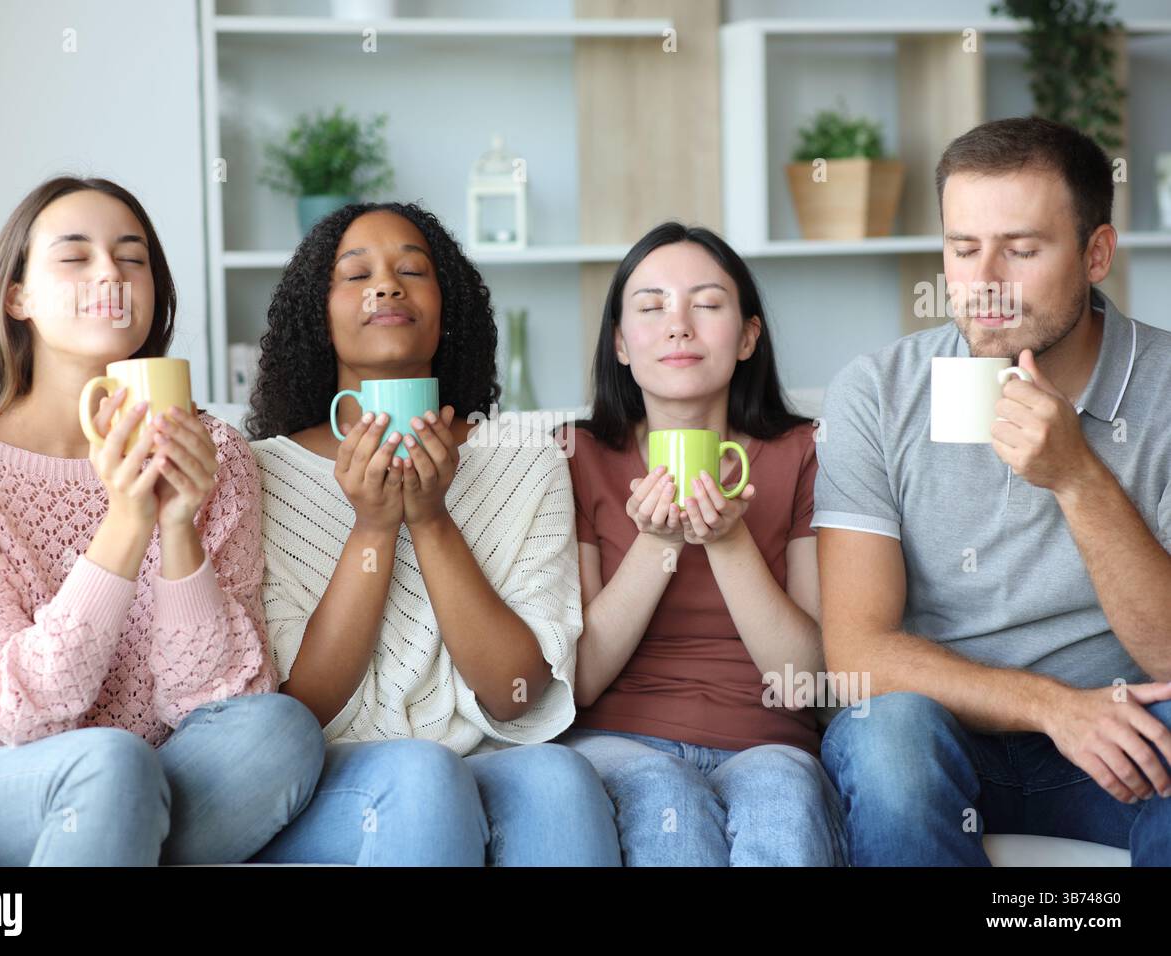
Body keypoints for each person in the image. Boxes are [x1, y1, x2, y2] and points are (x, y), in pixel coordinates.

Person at [0, 176, 323, 866]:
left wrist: (177, 526)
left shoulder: (215, 453)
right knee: (109, 767)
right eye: (75, 256)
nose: (110, 272)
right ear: (16, 297)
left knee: (279, 730)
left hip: (148, 771)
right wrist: (126, 521)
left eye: (132, 256)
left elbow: (214, 696)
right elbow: (8, 708)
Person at [814, 117, 1171, 865]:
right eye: (963, 249)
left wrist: (1076, 477)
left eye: (1022, 249)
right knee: (889, 735)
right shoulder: (879, 392)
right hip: (944, 735)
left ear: (1096, 252)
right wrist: (1052, 709)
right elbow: (856, 650)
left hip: (1124, 737)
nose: (983, 285)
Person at [244, 201, 621, 866]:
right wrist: (373, 527)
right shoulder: (264, 474)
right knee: (423, 775)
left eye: (411, 271)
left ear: (447, 312)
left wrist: (432, 517)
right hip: (338, 771)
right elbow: (304, 709)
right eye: (356, 276)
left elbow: (516, 696)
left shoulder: (524, 458)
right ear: (317, 316)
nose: (385, 285)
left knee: (562, 779)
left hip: (490, 756)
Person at [553, 222, 847, 866]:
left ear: (747, 336)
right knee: (669, 804)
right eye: (651, 308)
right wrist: (657, 544)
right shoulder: (574, 455)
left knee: (784, 803)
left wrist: (727, 540)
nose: (678, 325)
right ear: (621, 345)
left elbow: (806, 681)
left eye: (707, 305)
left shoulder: (806, 452)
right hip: (616, 737)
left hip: (768, 741)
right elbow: (577, 680)